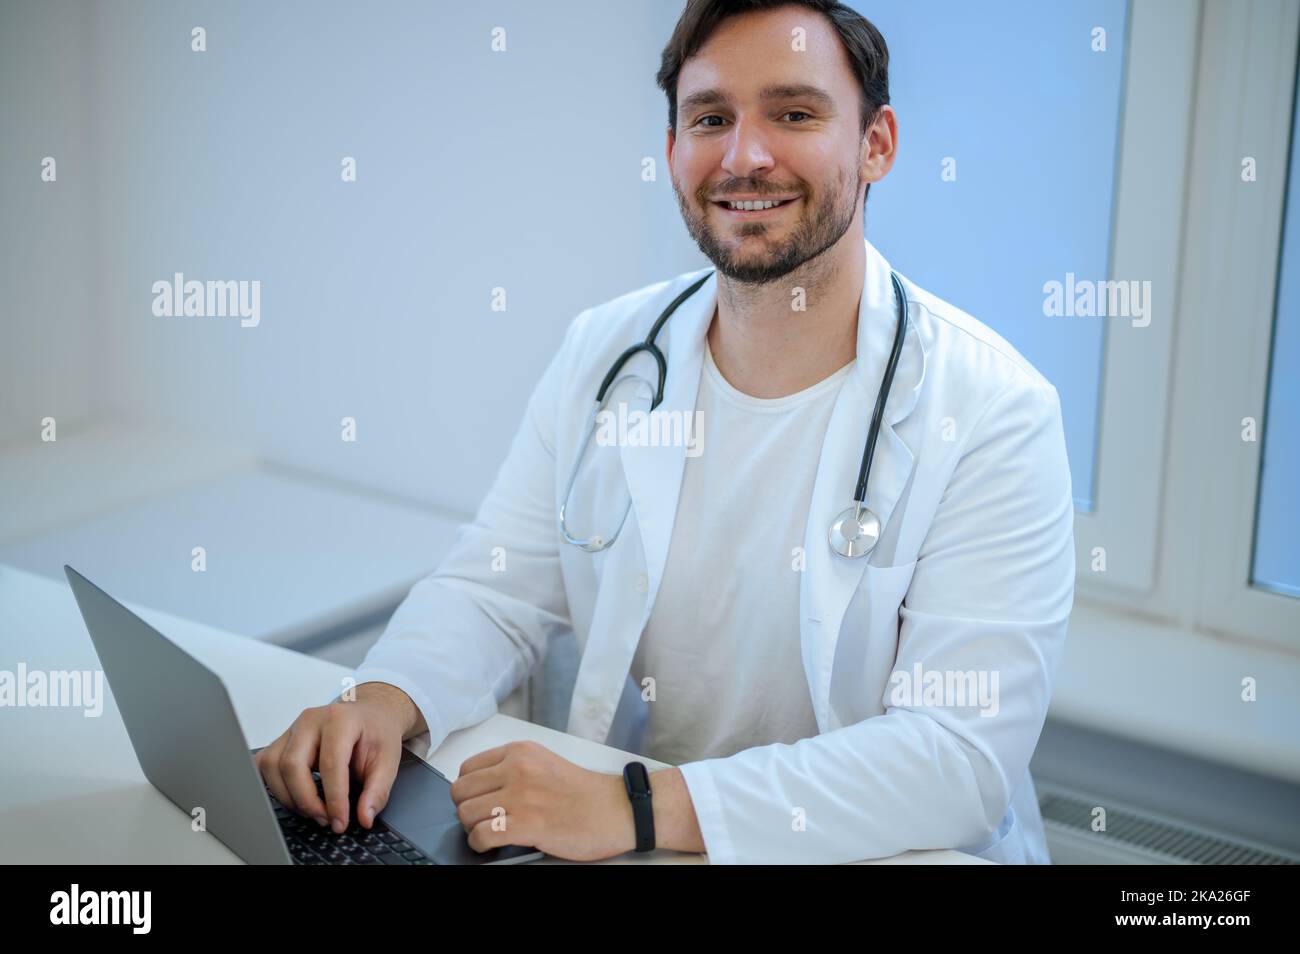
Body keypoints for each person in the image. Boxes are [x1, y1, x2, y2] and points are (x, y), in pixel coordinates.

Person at [256, 0, 1075, 865]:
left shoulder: (994, 410)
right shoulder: (605, 353)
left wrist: (644, 806)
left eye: (793, 113)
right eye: (710, 118)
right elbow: (494, 588)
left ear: (877, 143)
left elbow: (957, 760)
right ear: (673, 150)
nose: (745, 155)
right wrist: (385, 698)